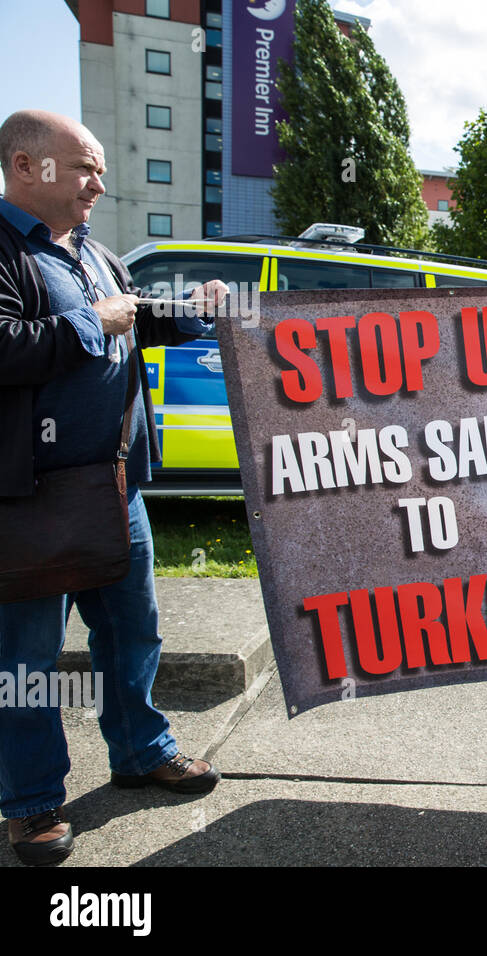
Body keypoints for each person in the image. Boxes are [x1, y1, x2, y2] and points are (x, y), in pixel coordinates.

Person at [0, 110, 229, 865]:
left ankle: (141, 752)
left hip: (117, 487)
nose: (101, 182)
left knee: (133, 633)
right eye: (86, 168)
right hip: (30, 499)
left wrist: (193, 311)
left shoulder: (94, 253)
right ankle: (31, 806)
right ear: (27, 167)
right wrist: (91, 321)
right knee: (24, 662)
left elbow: (132, 318)